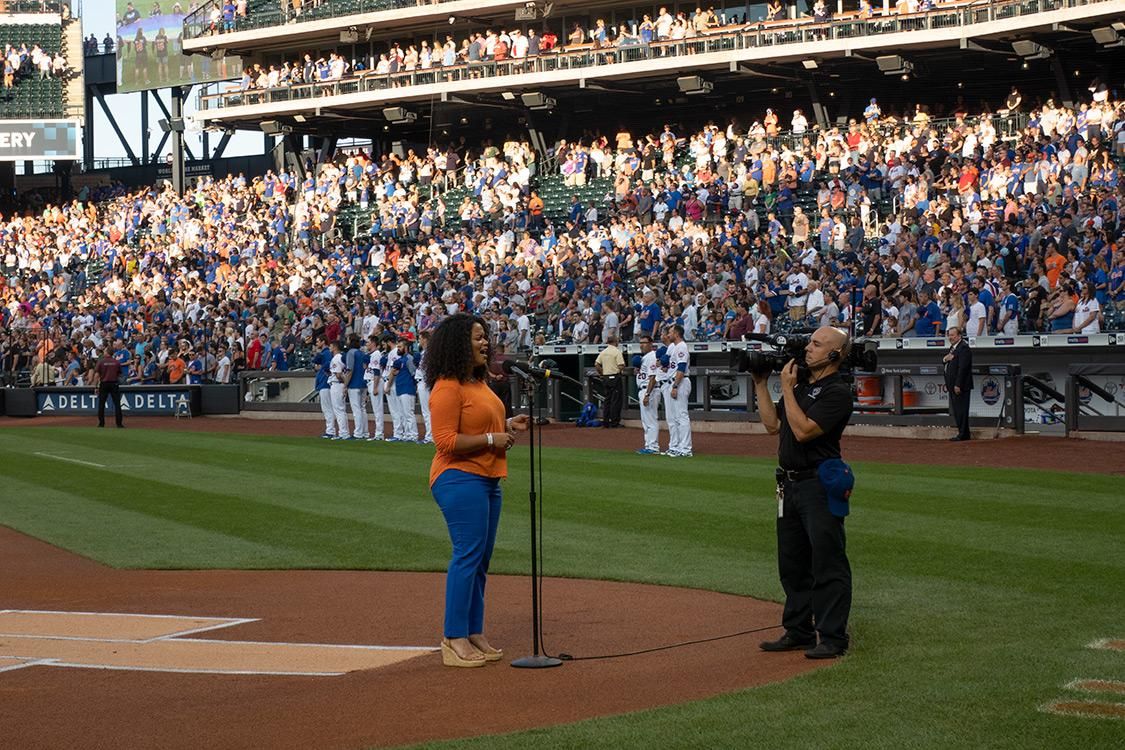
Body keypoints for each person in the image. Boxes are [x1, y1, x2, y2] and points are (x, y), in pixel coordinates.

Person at [426, 313, 530, 667]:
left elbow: (481, 423)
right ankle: (453, 637)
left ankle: (473, 631)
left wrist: (505, 425)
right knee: (468, 555)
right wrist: (491, 438)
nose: (485, 343)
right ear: (459, 344)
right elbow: (445, 441)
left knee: (481, 560)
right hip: (458, 476)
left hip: (487, 477)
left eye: (485, 337)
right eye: (477, 338)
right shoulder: (446, 387)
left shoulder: (478, 383)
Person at [753, 326, 854, 659]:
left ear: (834, 355)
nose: (808, 349)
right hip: (790, 482)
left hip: (819, 483)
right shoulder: (802, 386)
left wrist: (787, 387)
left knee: (827, 560)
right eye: (810, 342)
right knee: (793, 562)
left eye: (816, 344)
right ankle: (798, 630)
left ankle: (833, 637)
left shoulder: (837, 392)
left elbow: (804, 430)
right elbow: (772, 426)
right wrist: (761, 384)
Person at [666, 324, 693, 457]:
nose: (668, 335)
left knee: (682, 416)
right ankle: (680, 447)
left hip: (681, 382)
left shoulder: (681, 346)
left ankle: (686, 449)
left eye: (670, 332)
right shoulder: (676, 347)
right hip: (677, 382)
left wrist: (675, 386)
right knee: (677, 417)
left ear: (676, 334)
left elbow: (681, 368)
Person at [942, 326, 973, 441]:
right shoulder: (953, 348)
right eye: (949, 335)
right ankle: (962, 432)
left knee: (961, 410)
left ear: (959, 336)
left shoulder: (963, 347)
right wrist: (945, 360)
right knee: (957, 410)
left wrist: (958, 384)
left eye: (953, 335)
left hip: (960, 385)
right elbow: (946, 360)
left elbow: (963, 368)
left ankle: (963, 434)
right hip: (952, 384)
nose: (950, 337)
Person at [634, 335, 661, 454]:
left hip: (650, 390)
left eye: (644, 343)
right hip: (644, 389)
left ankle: (653, 447)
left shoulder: (651, 357)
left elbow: (653, 378)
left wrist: (647, 394)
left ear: (651, 344)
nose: (641, 345)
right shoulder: (645, 358)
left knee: (651, 420)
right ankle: (649, 445)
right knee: (646, 421)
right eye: (640, 343)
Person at [594, 333, 625, 428]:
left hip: (606, 378)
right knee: (615, 400)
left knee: (607, 400)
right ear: (615, 342)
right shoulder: (616, 351)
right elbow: (621, 365)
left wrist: (602, 373)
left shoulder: (603, 352)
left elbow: (596, 364)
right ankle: (614, 422)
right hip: (615, 377)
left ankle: (606, 422)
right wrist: (618, 370)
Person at [94, 345, 124, 428]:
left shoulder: (101, 362)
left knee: (101, 404)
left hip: (104, 384)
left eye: (104, 351)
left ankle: (101, 423)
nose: (104, 352)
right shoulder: (116, 362)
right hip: (114, 383)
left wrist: (95, 386)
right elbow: (119, 374)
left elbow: (96, 375)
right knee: (117, 404)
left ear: (107, 352)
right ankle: (119, 423)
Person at [345, 334, 369, 439]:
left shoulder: (351, 352)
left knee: (356, 409)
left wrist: (345, 385)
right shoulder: (362, 353)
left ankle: (358, 433)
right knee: (362, 408)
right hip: (363, 383)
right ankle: (365, 432)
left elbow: (349, 370)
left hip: (354, 384)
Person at [328, 339, 350, 440]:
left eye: (331, 345)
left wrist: (343, 383)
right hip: (340, 384)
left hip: (337, 385)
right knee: (341, 410)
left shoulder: (336, 358)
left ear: (335, 347)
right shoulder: (341, 357)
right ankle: (344, 432)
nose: (330, 347)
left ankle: (343, 433)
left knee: (339, 410)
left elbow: (338, 374)